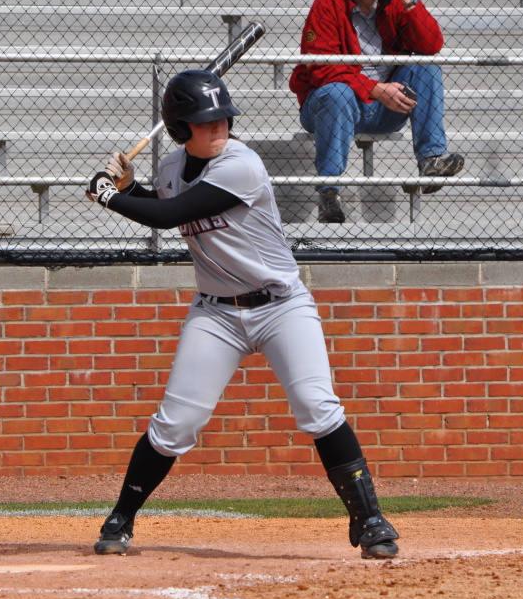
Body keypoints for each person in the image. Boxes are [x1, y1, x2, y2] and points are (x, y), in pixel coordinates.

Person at [85, 69, 400, 559]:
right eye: (206, 121)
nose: (220, 127)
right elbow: (167, 202)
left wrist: (109, 196)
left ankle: (371, 520)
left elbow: (170, 217)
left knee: (317, 407)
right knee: (177, 423)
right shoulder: (170, 169)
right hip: (217, 315)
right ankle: (120, 518)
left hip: (281, 306)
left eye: (223, 118)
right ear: (180, 128)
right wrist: (127, 188)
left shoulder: (242, 165)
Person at [290, 0, 464, 223]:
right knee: (337, 93)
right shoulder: (328, 0)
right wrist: (375, 89)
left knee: (427, 66)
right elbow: (320, 68)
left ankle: (432, 159)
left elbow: (432, 44)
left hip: (385, 107)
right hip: (330, 105)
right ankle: (329, 194)